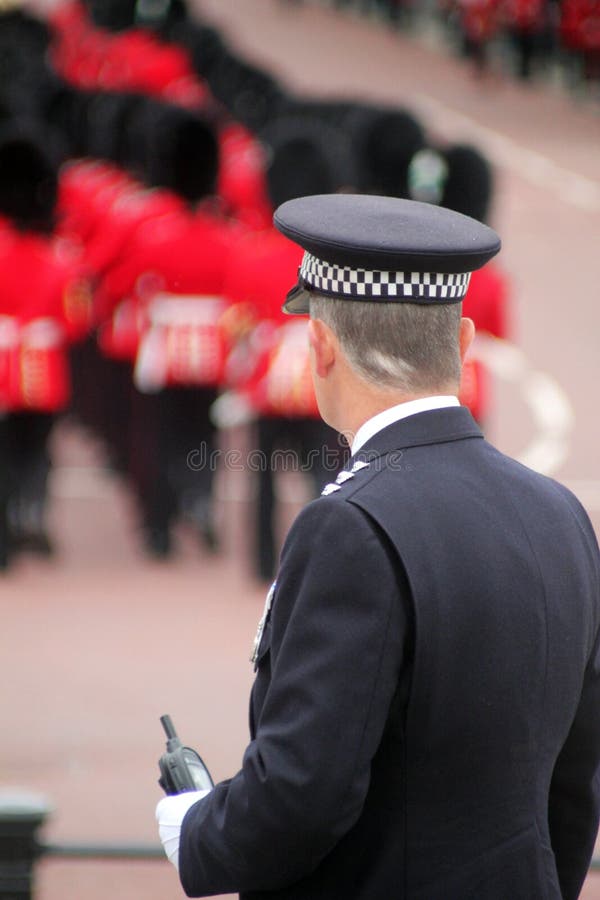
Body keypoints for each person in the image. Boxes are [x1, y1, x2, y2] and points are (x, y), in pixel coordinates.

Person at [156, 193, 600, 900]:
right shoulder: (561, 514)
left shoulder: (348, 526)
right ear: (462, 344)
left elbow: (302, 796)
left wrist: (196, 828)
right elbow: (573, 787)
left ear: (322, 348)